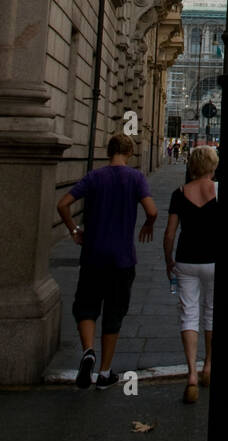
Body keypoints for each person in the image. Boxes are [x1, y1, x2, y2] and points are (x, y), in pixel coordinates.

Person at [57, 134, 157, 390]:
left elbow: (63, 204)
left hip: (93, 254)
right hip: (122, 258)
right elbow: (152, 210)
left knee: (86, 307)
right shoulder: (136, 178)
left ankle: (88, 350)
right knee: (114, 312)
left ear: (108, 151)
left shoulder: (94, 177)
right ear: (130, 153)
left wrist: (73, 230)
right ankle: (104, 373)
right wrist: (148, 224)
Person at [163, 144, 218, 404]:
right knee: (211, 313)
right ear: (212, 166)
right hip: (214, 259)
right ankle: (208, 365)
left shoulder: (179, 193)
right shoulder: (219, 192)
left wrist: (168, 261)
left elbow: (170, 233)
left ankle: (192, 376)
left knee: (189, 314)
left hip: (185, 260)